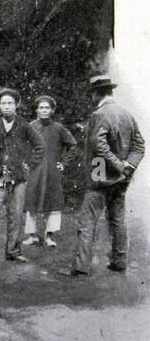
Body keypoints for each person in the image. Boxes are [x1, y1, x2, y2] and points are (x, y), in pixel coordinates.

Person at [64, 75, 144, 277]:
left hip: (101, 176)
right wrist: (128, 167)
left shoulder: (99, 114)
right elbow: (140, 145)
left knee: (88, 221)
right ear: (110, 91)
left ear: (96, 93)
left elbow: (99, 146)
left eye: (93, 93)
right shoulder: (127, 114)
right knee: (117, 220)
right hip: (121, 179)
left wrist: (118, 166)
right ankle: (119, 261)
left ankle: (81, 266)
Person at [0, 87, 42, 264]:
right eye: (3, 103)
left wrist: (29, 165)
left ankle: (13, 251)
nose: (7, 107)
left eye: (10, 103)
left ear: (17, 105)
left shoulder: (24, 124)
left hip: (18, 180)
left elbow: (40, 146)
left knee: (16, 216)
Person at [23, 95, 78, 247]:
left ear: (52, 110)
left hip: (52, 171)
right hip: (35, 170)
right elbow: (21, 145)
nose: (44, 110)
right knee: (31, 202)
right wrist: (25, 162)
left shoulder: (59, 128)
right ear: (36, 110)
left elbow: (73, 145)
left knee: (53, 203)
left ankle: (49, 236)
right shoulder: (30, 126)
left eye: (47, 107)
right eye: (41, 107)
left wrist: (64, 163)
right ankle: (32, 235)